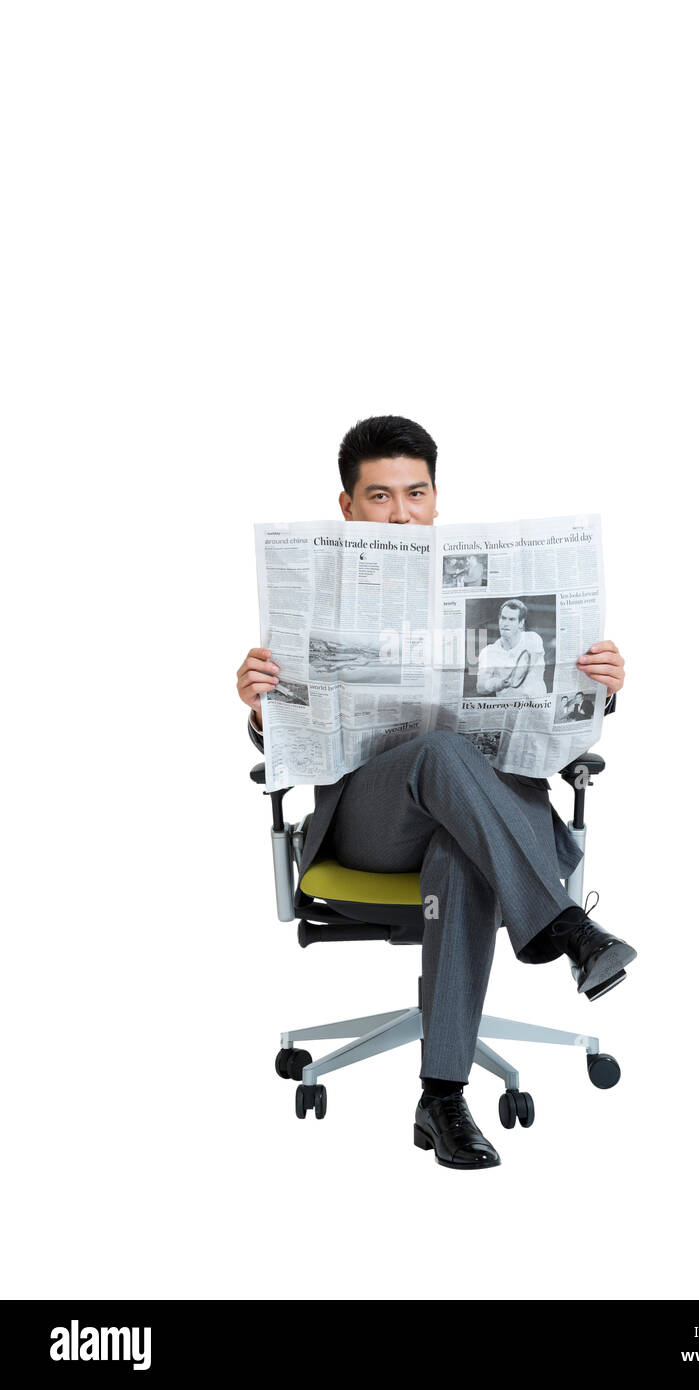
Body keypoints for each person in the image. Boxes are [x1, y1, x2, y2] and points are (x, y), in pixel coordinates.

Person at [237, 415, 635, 1170]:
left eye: (415, 493)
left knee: (461, 853)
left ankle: (442, 1096)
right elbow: (289, 744)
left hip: (483, 828)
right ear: (348, 506)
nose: (402, 512)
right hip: (370, 823)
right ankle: (560, 927)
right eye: (380, 496)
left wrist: (602, 692)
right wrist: (261, 710)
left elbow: (558, 730)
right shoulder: (320, 591)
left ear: (436, 498)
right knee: (442, 753)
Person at [475, 599, 549, 697]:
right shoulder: (488, 651)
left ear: (521, 623)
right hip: (506, 710)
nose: (506, 623)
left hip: (536, 708)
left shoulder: (533, 639)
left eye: (511, 619)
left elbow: (525, 668)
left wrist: (507, 677)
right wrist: (497, 684)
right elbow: (480, 687)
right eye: (503, 618)